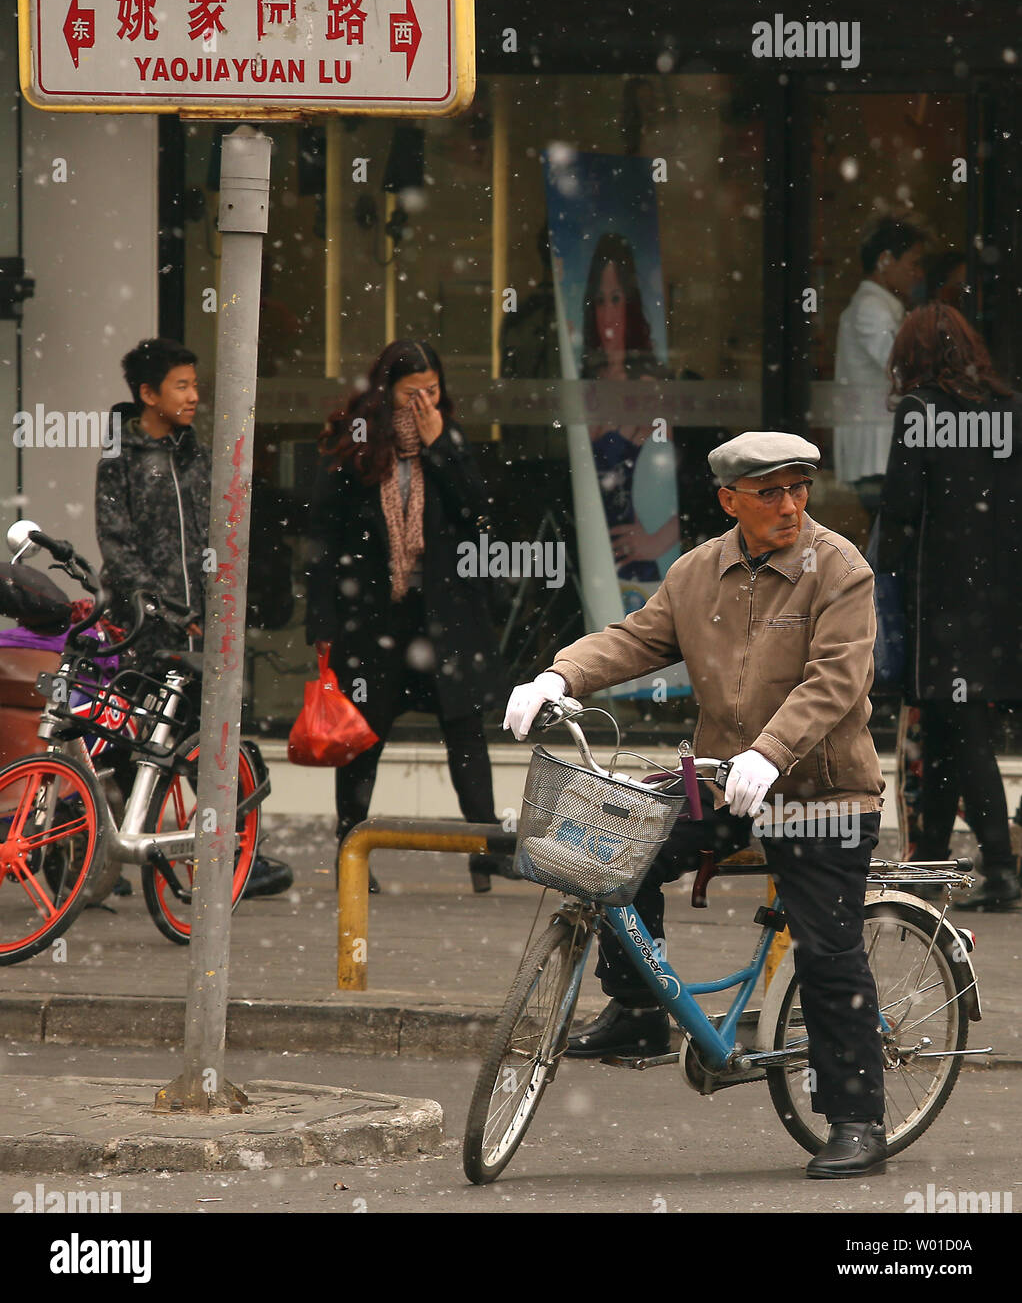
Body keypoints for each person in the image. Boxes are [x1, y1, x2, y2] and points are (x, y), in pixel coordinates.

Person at [505, 432, 890, 1179]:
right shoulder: (697, 573)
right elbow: (633, 639)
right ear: (729, 500)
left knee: (826, 951)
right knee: (616, 841)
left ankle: (856, 1118)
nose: (789, 504)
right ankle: (640, 1014)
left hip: (821, 791)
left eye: (798, 488)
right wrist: (559, 679)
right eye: (770, 491)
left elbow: (835, 681)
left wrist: (771, 752)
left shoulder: (839, 569)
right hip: (722, 779)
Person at [305, 339, 509, 894]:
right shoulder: (359, 444)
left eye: (432, 390)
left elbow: (478, 515)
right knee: (364, 734)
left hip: (444, 614)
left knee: (465, 729)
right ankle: (353, 847)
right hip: (374, 618)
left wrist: (443, 448)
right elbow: (323, 536)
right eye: (411, 391)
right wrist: (322, 616)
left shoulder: (452, 440)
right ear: (386, 391)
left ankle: (486, 851)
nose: (423, 401)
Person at [95, 338, 293, 899]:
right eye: (181, 386)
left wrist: (221, 606)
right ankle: (103, 854)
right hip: (144, 630)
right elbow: (118, 546)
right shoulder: (120, 460)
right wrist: (160, 607)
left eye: (194, 385)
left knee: (217, 743)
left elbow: (223, 535)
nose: (193, 396)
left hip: (202, 631)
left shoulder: (196, 455)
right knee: (130, 742)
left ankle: (231, 852)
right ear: (147, 394)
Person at [877, 304, 1022, 911]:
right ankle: (931, 864)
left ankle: (1000, 868)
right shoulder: (1008, 411)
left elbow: (902, 507)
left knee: (960, 731)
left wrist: (876, 578)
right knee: (946, 726)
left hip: (940, 598)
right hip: (1001, 596)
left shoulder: (921, 412)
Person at [579, 232, 680, 583]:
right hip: (586, 560)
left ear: (631, 304)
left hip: (633, 571)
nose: (607, 314)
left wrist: (657, 541)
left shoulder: (648, 390)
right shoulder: (586, 383)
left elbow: (693, 485)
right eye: (601, 300)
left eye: (616, 299)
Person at [833, 217, 926, 512]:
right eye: (913, 263)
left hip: (880, 449)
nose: (918, 274)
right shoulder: (872, 308)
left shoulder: (879, 307)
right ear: (885, 260)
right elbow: (902, 367)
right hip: (876, 452)